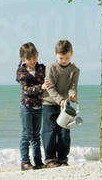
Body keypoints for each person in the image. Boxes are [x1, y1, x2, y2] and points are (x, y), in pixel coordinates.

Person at [41, 39, 79, 168]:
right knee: (49, 131)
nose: (64, 60)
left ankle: (63, 159)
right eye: (61, 58)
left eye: (67, 58)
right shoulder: (50, 67)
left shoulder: (75, 70)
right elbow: (50, 87)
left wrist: (72, 95)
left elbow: (73, 86)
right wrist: (60, 100)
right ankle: (51, 159)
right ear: (56, 54)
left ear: (71, 54)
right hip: (49, 103)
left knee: (64, 131)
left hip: (65, 106)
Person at [15, 42, 50, 170]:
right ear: (23, 59)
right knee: (26, 135)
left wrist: (70, 67)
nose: (33, 60)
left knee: (36, 135)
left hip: (38, 107)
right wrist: (40, 87)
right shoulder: (22, 72)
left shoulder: (41, 68)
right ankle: (25, 162)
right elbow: (26, 90)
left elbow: (53, 70)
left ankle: (38, 162)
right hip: (26, 108)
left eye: (35, 57)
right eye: (30, 59)